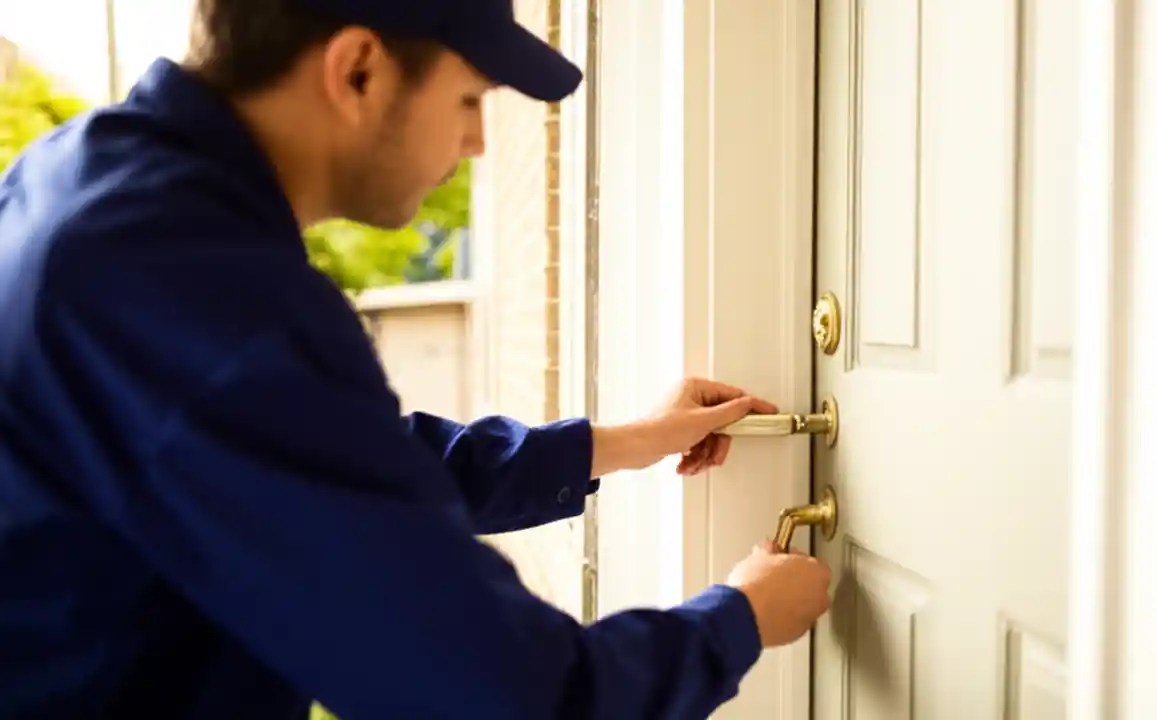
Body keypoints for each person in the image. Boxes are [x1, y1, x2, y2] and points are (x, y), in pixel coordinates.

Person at [0, 0, 833, 717]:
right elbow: (506, 695)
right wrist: (743, 618)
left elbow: (317, 464)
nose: (475, 142)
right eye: (469, 98)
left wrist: (613, 443)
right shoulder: (196, 285)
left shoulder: (88, 187)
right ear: (359, 69)